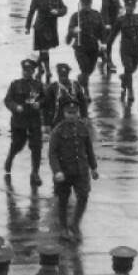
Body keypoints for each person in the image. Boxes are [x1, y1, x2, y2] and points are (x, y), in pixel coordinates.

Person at [47, 100, 98, 240]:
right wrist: (57, 171)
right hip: (64, 172)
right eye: (69, 113)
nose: (71, 115)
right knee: (63, 200)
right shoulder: (58, 131)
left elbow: (89, 149)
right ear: (64, 113)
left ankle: (75, 224)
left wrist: (93, 167)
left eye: (74, 112)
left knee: (84, 196)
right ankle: (63, 227)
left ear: (78, 113)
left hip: (81, 170)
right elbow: (52, 154)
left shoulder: (83, 128)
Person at [3, 58, 45, 187]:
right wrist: (16, 107)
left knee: (36, 146)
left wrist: (39, 104)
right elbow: (7, 100)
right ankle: (10, 157)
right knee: (18, 144)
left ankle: (35, 173)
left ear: (33, 71)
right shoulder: (15, 84)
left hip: (34, 120)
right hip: (19, 121)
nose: (27, 72)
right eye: (25, 70)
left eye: (30, 70)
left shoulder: (38, 85)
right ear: (22, 71)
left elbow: (45, 98)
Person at [25, 0, 68, 76]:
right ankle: (48, 71)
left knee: (44, 50)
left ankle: (38, 66)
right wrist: (27, 27)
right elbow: (31, 12)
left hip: (51, 27)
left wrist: (57, 11)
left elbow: (64, 9)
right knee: (44, 50)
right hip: (40, 27)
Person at [66, 0, 107, 89]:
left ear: (91, 3)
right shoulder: (76, 16)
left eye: (88, 4)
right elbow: (70, 29)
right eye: (84, 4)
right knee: (85, 68)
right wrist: (74, 30)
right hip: (80, 47)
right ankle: (86, 91)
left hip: (93, 47)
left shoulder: (96, 15)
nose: (86, 6)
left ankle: (80, 80)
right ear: (81, 4)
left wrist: (104, 43)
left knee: (90, 70)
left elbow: (102, 29)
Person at [99, 0, 129, 73]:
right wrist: (106, 24)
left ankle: (102, 53)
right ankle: (109, 62)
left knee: (108, 41)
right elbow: (105, 10)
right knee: (109, 42)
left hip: (114, 21)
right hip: (107, 22)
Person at [43, 62, 89, 128]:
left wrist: (84, 116)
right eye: (61, 76)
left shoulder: (75, 85)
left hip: (74, 119)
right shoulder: (53, 87)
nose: (63, 78)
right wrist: (46, 124)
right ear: (58, 74)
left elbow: (82, 102)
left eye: (65, 75)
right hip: (58, 121)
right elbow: (46, 106)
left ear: (68, 74)